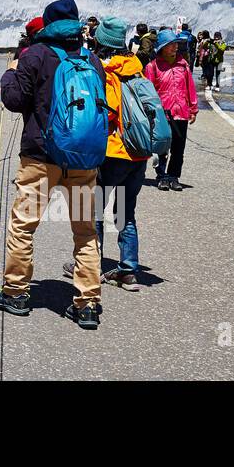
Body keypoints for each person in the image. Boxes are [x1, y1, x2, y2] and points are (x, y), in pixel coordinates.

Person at [0, 0, 107, 329]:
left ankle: (16, 292)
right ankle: (86, 304)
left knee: (23, 226)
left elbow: (14, 100)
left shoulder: (36, 56)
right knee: (85, 231)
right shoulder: (92, 60)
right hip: (83, 160)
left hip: (40, 157)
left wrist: (10, 74)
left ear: (49, 24)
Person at [75, 16, 149, 290]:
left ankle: (90, 266)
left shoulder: (109, 72)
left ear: (100, 41)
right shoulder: (137, 68)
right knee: (125, 212)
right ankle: (128, 270)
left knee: (94, 209)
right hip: (138, 153)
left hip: (115, 150)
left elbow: (110, 112)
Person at [145, 29, 197, 191]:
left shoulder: (183, 65)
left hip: (181, 112)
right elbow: (148, 92)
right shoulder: (152, 67)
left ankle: (174, 176)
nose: (175, 47)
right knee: (162, 147)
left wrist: (193, 109)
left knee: (178, 147)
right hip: (162, 114)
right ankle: (162, 175)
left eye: (176, 44)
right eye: (171, 44)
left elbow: (190, 88)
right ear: (162, 48)